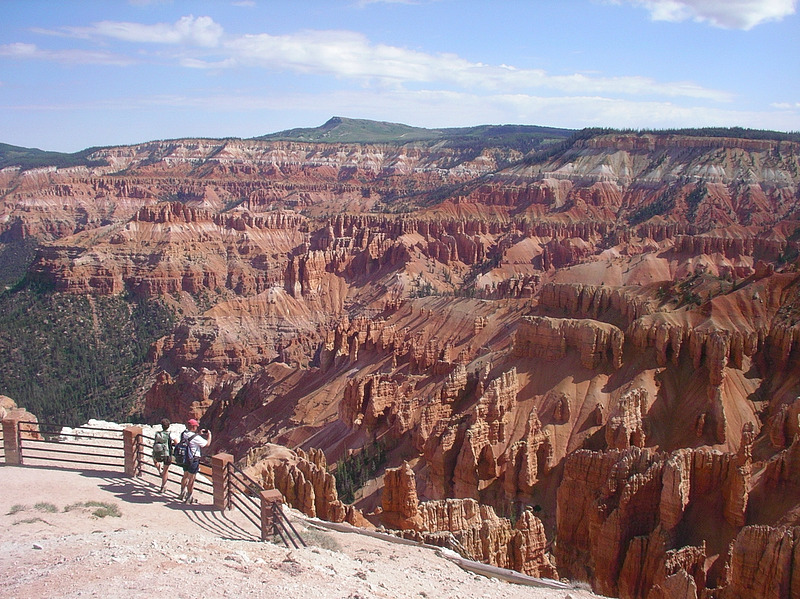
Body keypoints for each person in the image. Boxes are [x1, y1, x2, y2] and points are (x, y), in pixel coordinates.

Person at [178, 418, 211, 504]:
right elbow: (207, 444)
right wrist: (209, 435)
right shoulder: (196, 437)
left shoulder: (183, 434)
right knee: (191, 479)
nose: (197, 427)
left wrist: (197, 434)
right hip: (193, 460)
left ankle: (182, 493)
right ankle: (189, 497)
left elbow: (190, 438)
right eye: (196, 426)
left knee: (185, 476)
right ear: (193, 427)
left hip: (185, 458)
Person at [152, 418, 174, 494]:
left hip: (158, 452)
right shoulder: (170, 434)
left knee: (155, 460)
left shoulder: (158, 434)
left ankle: (159, 471)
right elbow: (177, 442)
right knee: (166, 471)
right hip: (167, 455)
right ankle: (163, 487)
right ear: (169, 426)